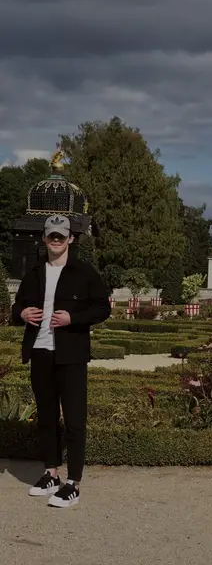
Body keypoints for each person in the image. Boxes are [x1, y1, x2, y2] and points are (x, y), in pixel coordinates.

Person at [11, 214, 111, 508]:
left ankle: (73, 484)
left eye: (61, 236)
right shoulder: (33, 273)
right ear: (44, 238)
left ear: (70, 239)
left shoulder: (85, 273)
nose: (56, 240)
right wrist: (21, 314)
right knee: (46, 417)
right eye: (51, 235)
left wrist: (73, 319)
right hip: (40, 352)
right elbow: (16, 307)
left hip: (71, 355)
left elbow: (103, 309)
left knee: (75, 420)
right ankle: (51, 473)